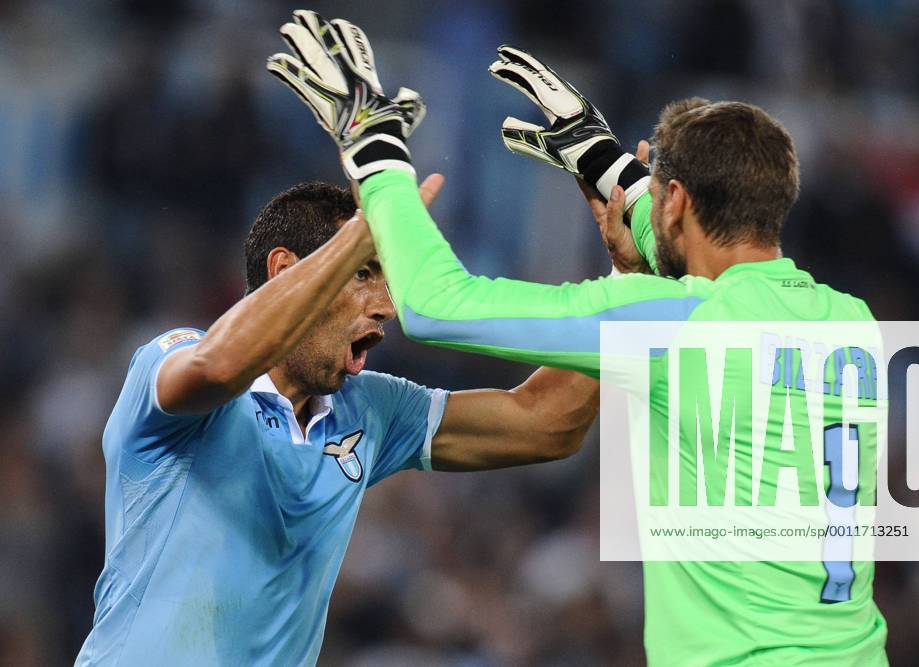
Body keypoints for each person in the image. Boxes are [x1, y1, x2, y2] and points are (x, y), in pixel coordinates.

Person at [267, 12, 887, 665]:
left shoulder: (678, 322)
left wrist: (376, 148)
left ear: (675, 200)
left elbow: (432, 303)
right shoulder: (851, 320)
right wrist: (605, 160)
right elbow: (701, 238)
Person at [76, 162, 601, 664]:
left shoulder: (369, 409)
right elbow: (218, 366)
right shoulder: (169, 361)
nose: (386, 306)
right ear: (284, 271)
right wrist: (362, 229)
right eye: (364, 274)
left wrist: (634, 283)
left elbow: (547, 423)